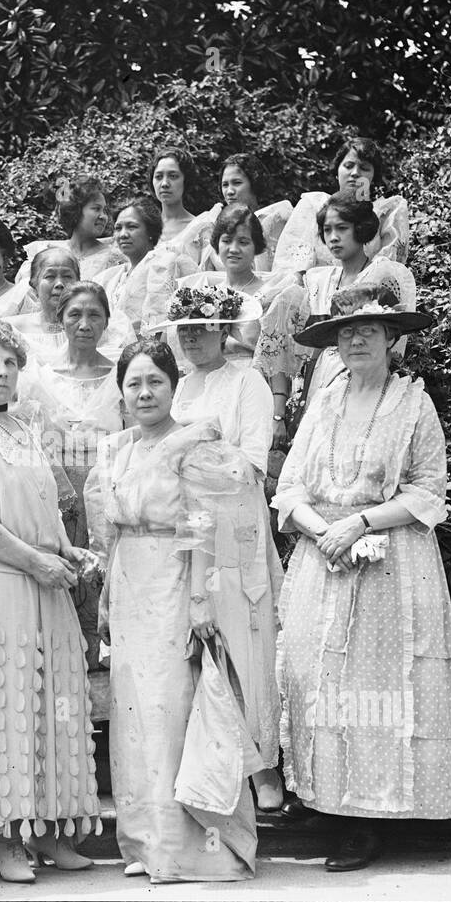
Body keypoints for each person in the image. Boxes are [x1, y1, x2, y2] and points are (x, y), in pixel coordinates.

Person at [272, 282, 451, 870]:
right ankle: (326, 799)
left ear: (392, 339)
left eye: (369, 330)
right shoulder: (322, 403)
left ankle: (367, 819)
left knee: (376, 684)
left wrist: (356, 522)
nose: (355, 339)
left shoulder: (414, 404)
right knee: (319, 678)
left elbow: (429, 490)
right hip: (322, 557)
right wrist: (319, 529)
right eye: (345, 332)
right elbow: (290, 488)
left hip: (389, 560)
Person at [86, 340, 263, 881]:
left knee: (172, 710)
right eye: (134, 383)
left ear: (173, 385)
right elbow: (112, 530)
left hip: (175, 580)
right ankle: (144, 845)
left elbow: (204, 527)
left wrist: (199, 599)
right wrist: (107, 598)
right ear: (121, 392)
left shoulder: (194, 444)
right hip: (129, 579)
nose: (144, 393)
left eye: (155, 382)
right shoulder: (114, 449)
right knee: (133, 714)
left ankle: (191, 848)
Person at [0, 320, 102, 882]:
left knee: (54, 707)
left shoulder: (27, 428)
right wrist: (33, 561)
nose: (2, 373)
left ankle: (52, 830)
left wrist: (66, 552)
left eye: (9, 363)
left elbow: (46, 508)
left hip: (45, 583)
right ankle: (4, 839)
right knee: (3, 707)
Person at [145, 286, 286, 812]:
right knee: (192, 642)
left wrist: (189, 454)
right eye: (184, 329)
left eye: (202, 328)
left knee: (239, 639)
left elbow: (249, 462)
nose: (192, 338)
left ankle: (260, 767)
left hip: (233, 524)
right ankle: (207, 771)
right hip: (183, 525)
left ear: (223, 330)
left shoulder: (245, 381)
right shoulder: (175, 388)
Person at [18, 282, 125, 673]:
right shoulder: (40, 378)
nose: (84, 323)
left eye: (94, 314)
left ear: (107, 322)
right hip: (57, 496)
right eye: (75, 314)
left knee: (104, 583)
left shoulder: (122, 377)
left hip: (109, 493)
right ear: (60, 319)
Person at [254, 191, 416, 422]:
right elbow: (290, 336)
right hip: (318, 376)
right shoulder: (317, 280)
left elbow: (392, 342)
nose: (333, 237)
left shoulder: (381, 274)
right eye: (327, 230)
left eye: (341, 228)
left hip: (363, 373)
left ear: (360, 229)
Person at [271, 136, 410, 279]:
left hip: (366, 293)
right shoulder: (314, 205)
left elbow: (388, 269)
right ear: (337, 172)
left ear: (374, 177)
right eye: (348, 166)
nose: (355, 173)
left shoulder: (387, 212)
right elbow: (292, 268)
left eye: (364, 168)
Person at [173, 203, 283, 367]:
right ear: (217, 244)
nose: (234, 249)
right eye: (227, 241)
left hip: (254, 376)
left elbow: (276, 356)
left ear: (256, 247)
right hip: (210, 376)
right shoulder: (204, 294)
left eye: (243, 242)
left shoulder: (271, 293)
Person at [93, 196, 197, 342]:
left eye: (132, 227)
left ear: (150, 232)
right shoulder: (108, 277)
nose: (123, 234)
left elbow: (162, 324)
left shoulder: (165, 265)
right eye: (118, 228)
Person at [15, 175, 127, 284]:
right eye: (96, 209)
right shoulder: (45, 251)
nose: (103, 216)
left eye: (105, 211)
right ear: (75, 211)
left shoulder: (115, 259)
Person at [198, 153, 294, 274]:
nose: (229, 191)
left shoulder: (274, 220)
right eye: (225, 185)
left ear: (254, 184)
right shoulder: (212, 223)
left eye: (237, 183)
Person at [149, 147, 209, 263]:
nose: (165, 184)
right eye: (159, 176)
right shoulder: (144, 227)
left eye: (173, 176)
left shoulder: (200, 228)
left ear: (185, 181)